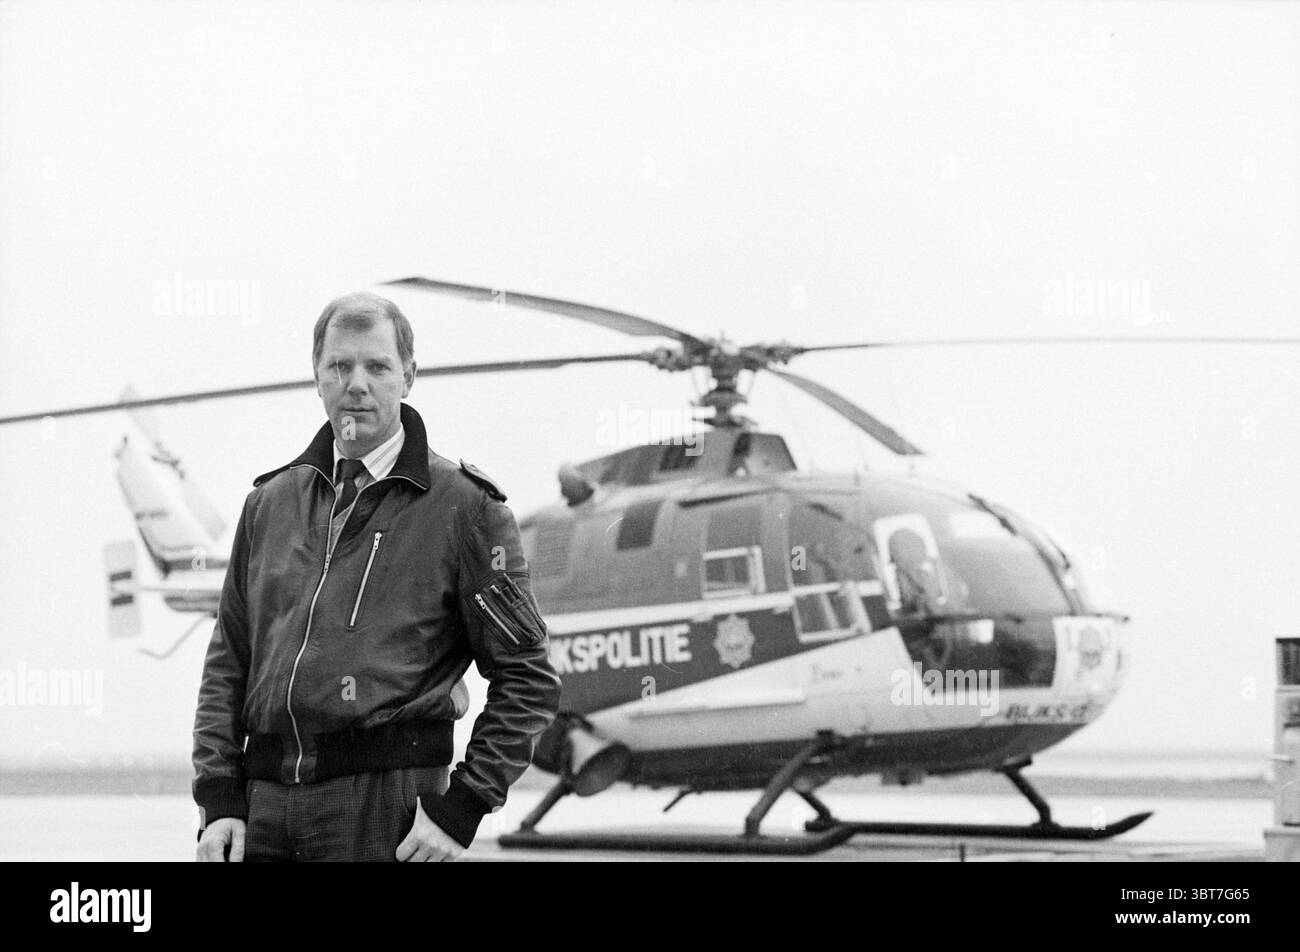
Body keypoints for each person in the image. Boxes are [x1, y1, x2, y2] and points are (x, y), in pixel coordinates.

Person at [193, 291, 562, 862]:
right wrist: (218, 799)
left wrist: (463, 808)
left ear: (408, 376)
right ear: (316, 377)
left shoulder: (465, 508)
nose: (356, 384)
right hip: (261, 811)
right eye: (339, 366)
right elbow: (228, 663)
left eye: (377, 366)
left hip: (385, 814)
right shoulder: (268, 505)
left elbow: (528, 678)